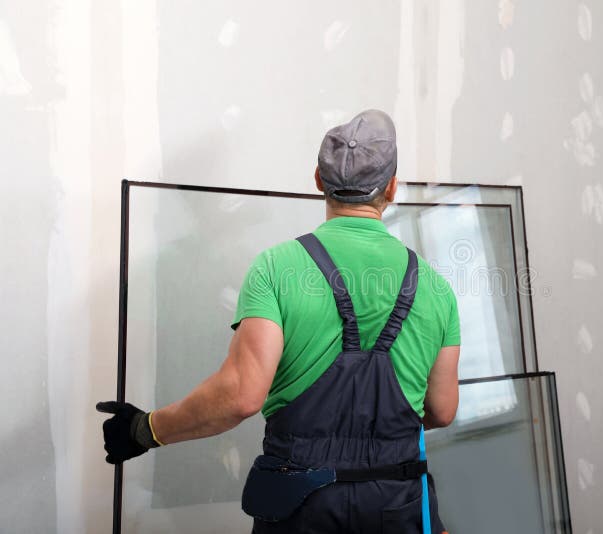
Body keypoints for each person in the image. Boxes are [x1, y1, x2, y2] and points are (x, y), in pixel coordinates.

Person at [97, 109, 460, 533]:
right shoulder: (436, 289)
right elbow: (441, 410)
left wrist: (144, 430)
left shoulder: (276, 268)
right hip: (399, 507)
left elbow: (240, 396)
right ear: (392, 188)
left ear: (319, 180)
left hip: (301, 504)